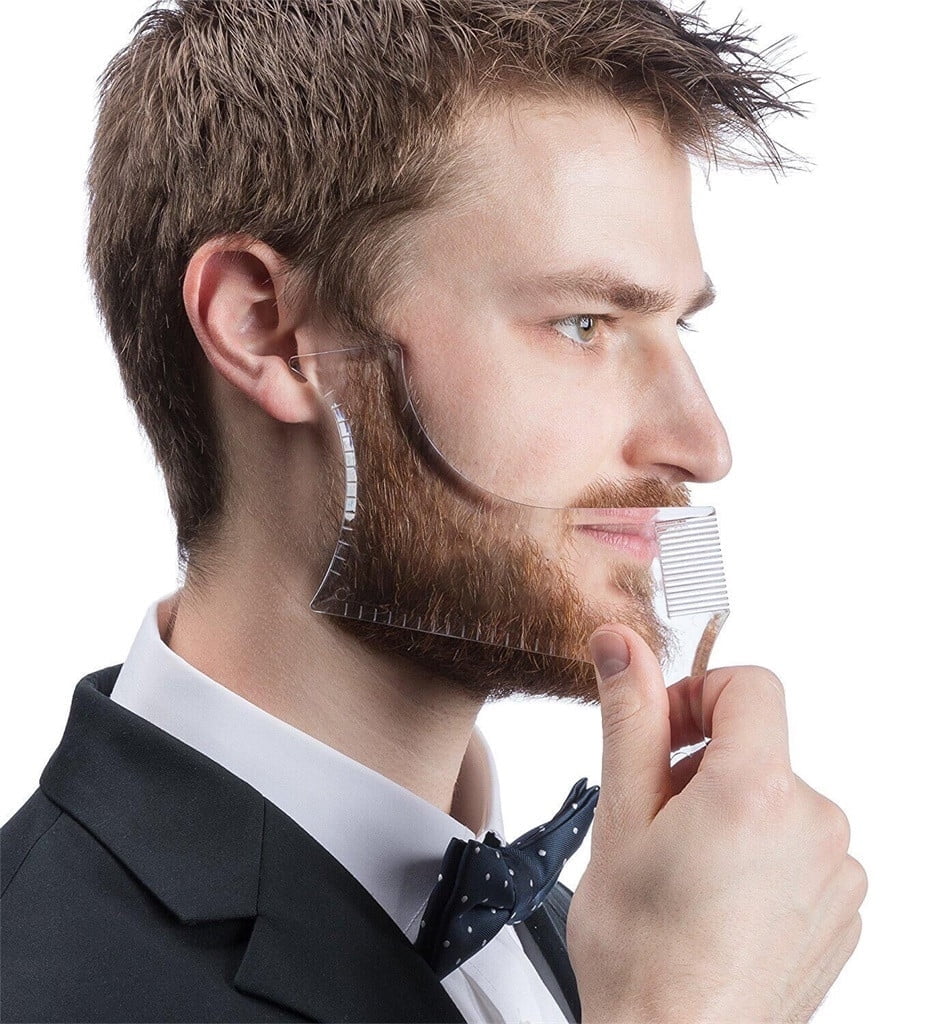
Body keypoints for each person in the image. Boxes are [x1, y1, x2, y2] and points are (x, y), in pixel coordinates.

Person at [0, 1, 866, 1022]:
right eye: (584, 323)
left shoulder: (607, 941)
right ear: (266, 330)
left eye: (679, 325)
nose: (703, 445)